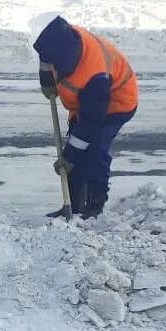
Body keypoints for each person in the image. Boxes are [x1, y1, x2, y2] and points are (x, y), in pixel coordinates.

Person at [33, 16, 138, 219]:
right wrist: (46, 80)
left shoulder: (94, 75)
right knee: (77, 148)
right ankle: (73, 206)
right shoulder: (62, 39)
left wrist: (69, 156)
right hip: (86, 104)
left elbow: (90, 123)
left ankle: (95, 206)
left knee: (94, 150)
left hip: (117, 102)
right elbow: (45, 57)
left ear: (66, 60)